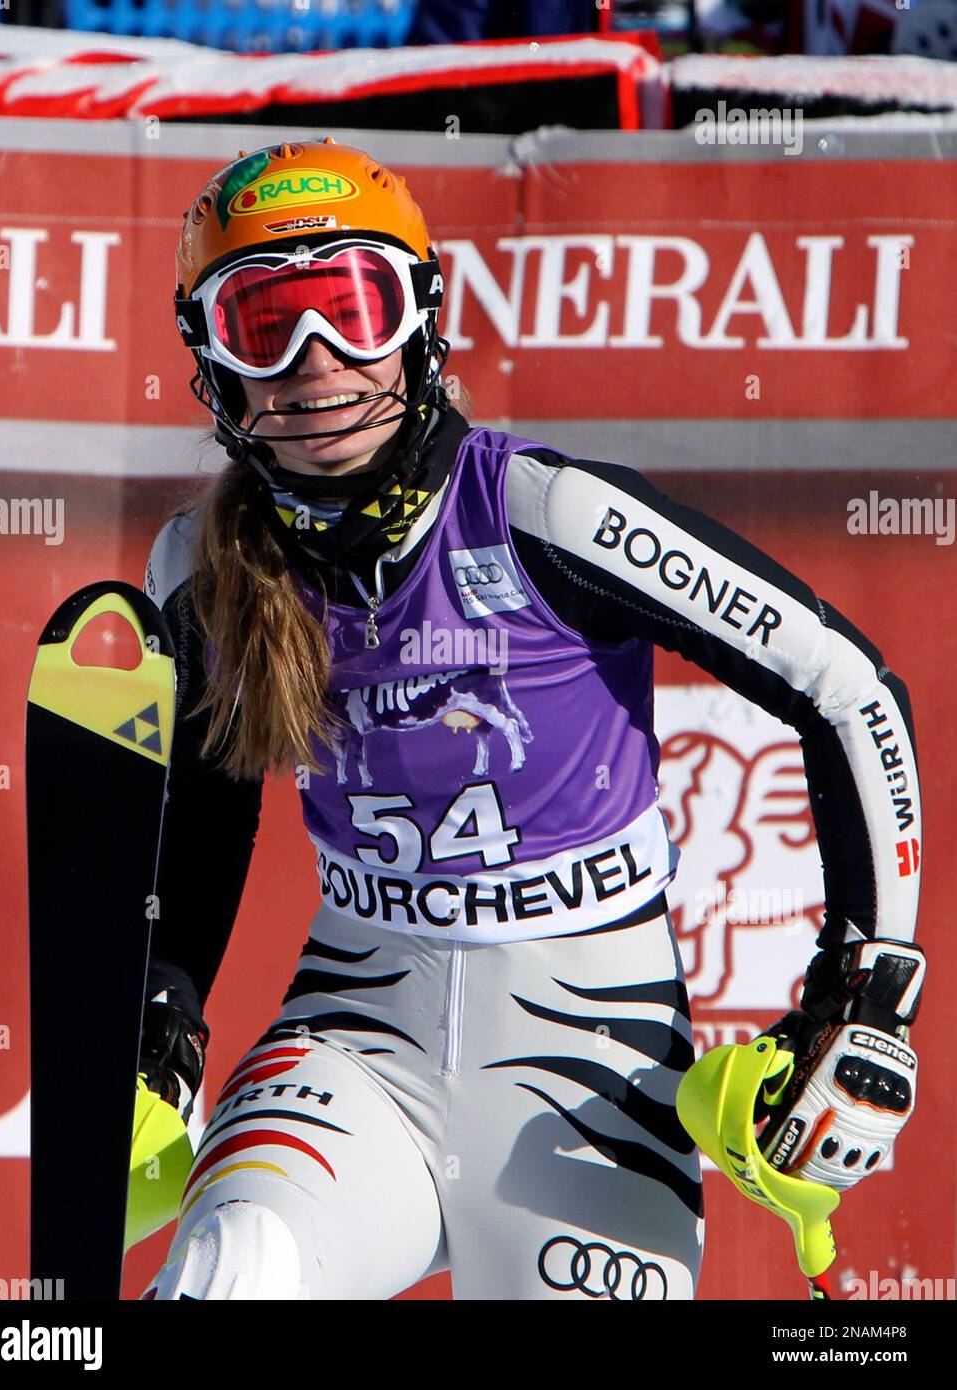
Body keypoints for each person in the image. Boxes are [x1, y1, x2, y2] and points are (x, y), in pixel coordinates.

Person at [137, 138, 925, 1300]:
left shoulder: (546, 511)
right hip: (356, 1039)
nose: (315, 362)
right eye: (264, 324)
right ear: (213, 363)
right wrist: (165, 996)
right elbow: (210, 799)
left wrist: (868, 989)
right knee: (232, 1265)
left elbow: (846, 688)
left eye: (352, 309)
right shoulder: (197, 566)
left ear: (419, 323)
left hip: (590, 1065)